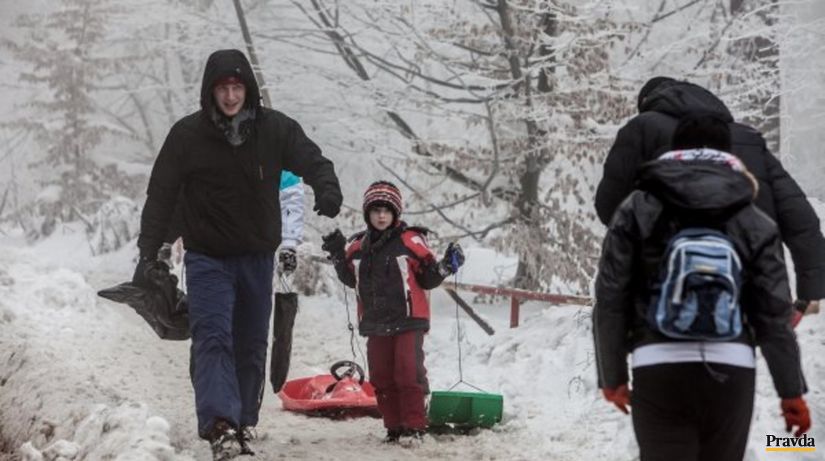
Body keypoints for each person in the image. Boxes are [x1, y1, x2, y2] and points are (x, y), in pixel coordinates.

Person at [132, 49, 342, 459]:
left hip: (256, 257)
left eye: (237, 87)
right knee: (213, 337)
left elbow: (312, 159)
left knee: (249, 344)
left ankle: (242, 419)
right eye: (222, 88)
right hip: (207, 256)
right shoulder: (187, 136)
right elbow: (161, 196)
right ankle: (220, 424)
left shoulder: (275, 129)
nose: (230, 96)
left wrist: (327, 188)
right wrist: (149, 251)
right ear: (210, 91)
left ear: (249, 89)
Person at [593, 114, 810, 461]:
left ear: (674, 152)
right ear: (729, 155)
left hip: (658, 366)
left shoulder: (637, 209)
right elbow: (772, 313)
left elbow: (610, 297)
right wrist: (791, 392)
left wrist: (612, 375)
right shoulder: (754, 219)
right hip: (731, 368)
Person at [595, 77, 825, 319]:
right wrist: (810, 291)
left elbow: (609, 207)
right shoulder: (748, 138)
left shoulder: (642, 128)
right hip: (753, 289)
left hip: (669, 286)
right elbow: (800, 218)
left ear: (647, 104)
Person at [321, 181, 465, 443]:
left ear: (395, 213)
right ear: (368, 214)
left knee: (407, 372)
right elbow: (350, 279)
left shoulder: (410, 241)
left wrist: (446, 266)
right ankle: (394, 426)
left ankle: (414, 426)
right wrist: (336, 254)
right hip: (376, 321)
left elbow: (428, 278)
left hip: (408, 318)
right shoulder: (357, 247)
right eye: (376, 210)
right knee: (382, 375)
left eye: (387, 210)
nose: (381, 216)